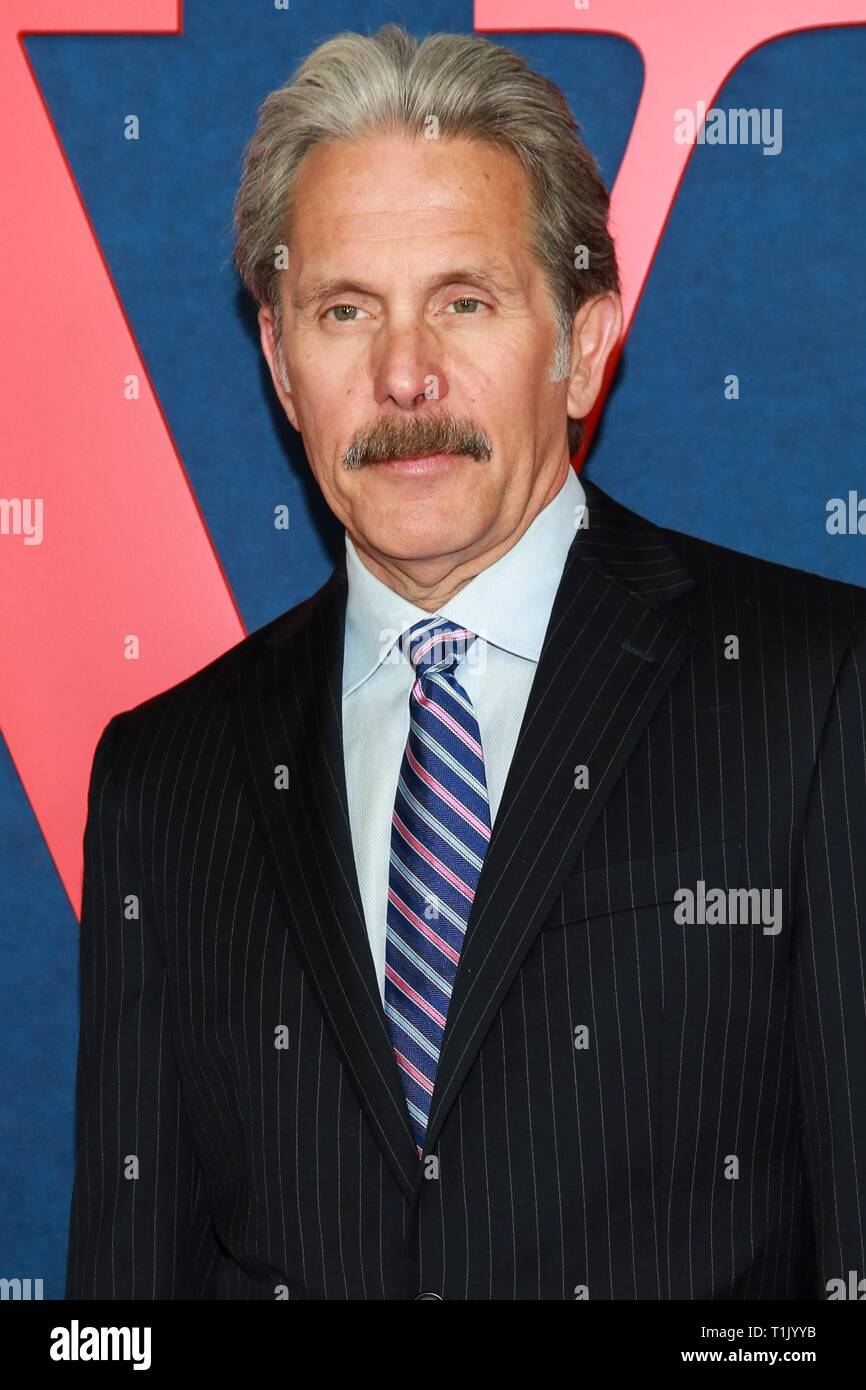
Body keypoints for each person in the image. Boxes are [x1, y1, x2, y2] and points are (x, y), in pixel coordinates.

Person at [66, 23, 866, 1300]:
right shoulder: (164, 774)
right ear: (279, 364)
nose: (403, 376)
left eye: (463, 301)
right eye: (343, 311)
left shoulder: (817, 692)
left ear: (583, 342)